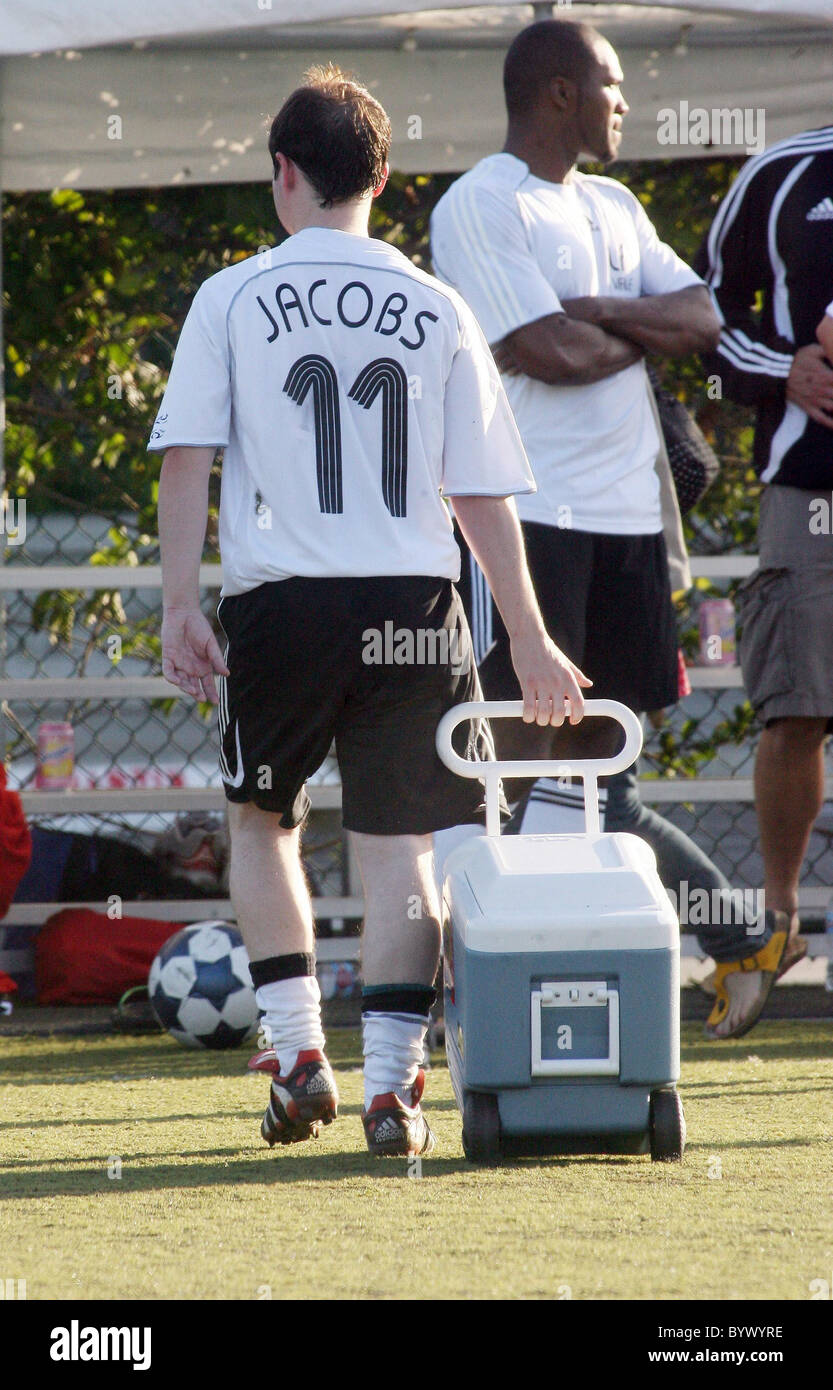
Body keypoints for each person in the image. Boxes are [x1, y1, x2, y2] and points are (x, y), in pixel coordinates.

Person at [150, 65, 590, 1158]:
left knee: (265, 820)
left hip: (284, 605)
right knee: (402, 847)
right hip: (414, 602)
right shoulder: (438, 306)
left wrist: (176, 607)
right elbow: (478, 495)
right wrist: (530, 639)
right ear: (384, 179)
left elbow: (187, 460)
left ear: (282, 174)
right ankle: (394, 1087)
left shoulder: (234, 295)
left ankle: (298, 1052)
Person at [430, 17, 789, 1040]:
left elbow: (701, 321)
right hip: (526, 520)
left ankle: (702, 953)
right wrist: (616, 321)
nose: (623, 101)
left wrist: (596, 308)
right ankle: (719, 942)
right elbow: (547, 350)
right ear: (555, 92)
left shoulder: (615, 203)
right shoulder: (477, 205)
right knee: (516, 775)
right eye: (610, 83)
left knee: (606, 773)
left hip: (632, 521)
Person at [696, 129, 833, 1005]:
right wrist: (783, 367)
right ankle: (777, 926)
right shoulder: (781, 170)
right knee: (796, 706)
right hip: (808, 489)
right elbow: (702, 314)